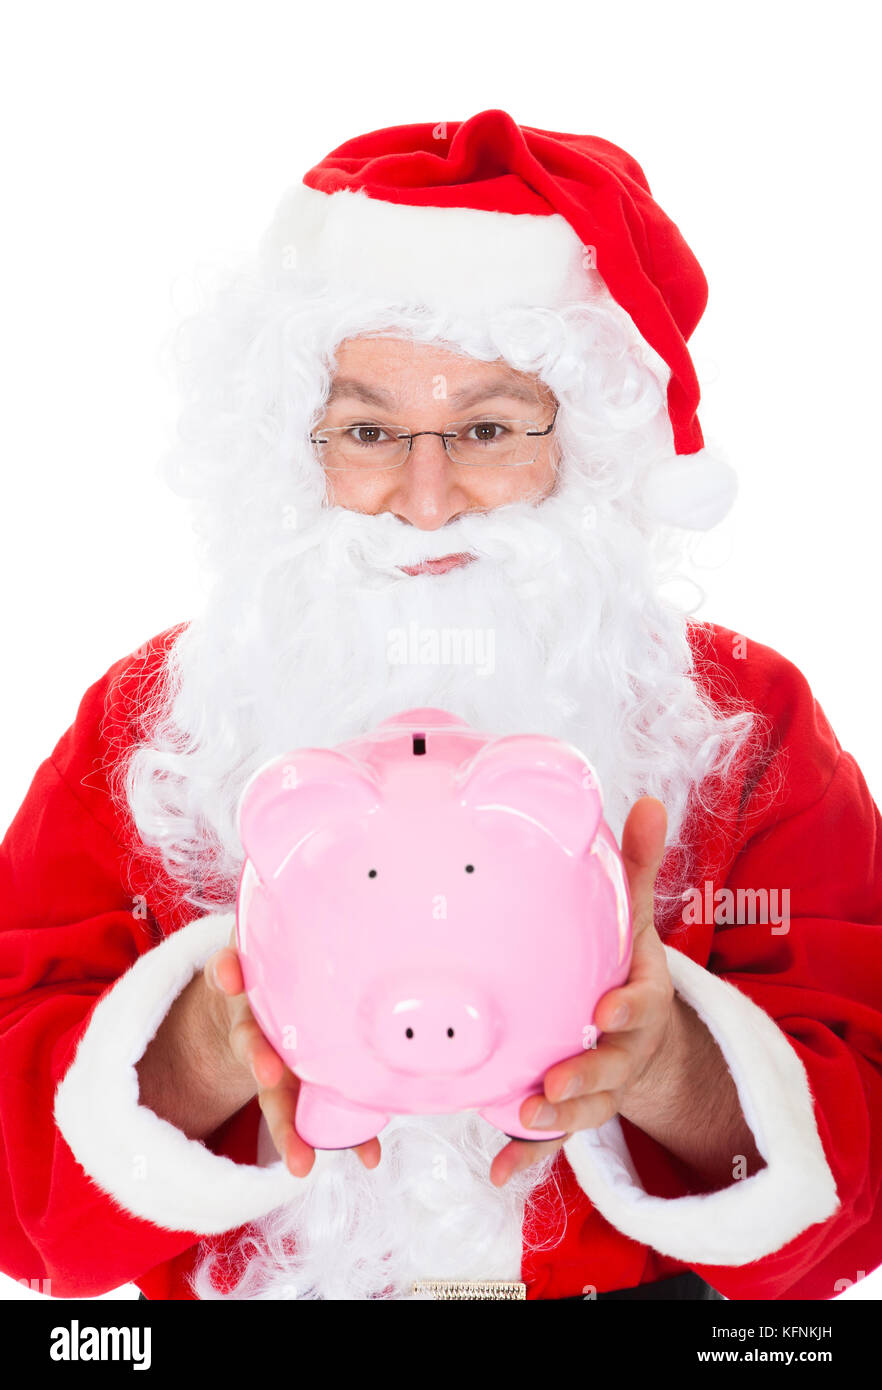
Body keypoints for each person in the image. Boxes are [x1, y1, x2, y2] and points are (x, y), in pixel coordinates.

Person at [1, 110, 880, 1302]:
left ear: (594, 452)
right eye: (367, 429)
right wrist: (205, 1047)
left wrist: (673, 1067)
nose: (427, 501)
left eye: (488, 428)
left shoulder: (746, 725)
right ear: (290, 446)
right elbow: (19, 1216)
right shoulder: (154, 723)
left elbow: (852, 1217)